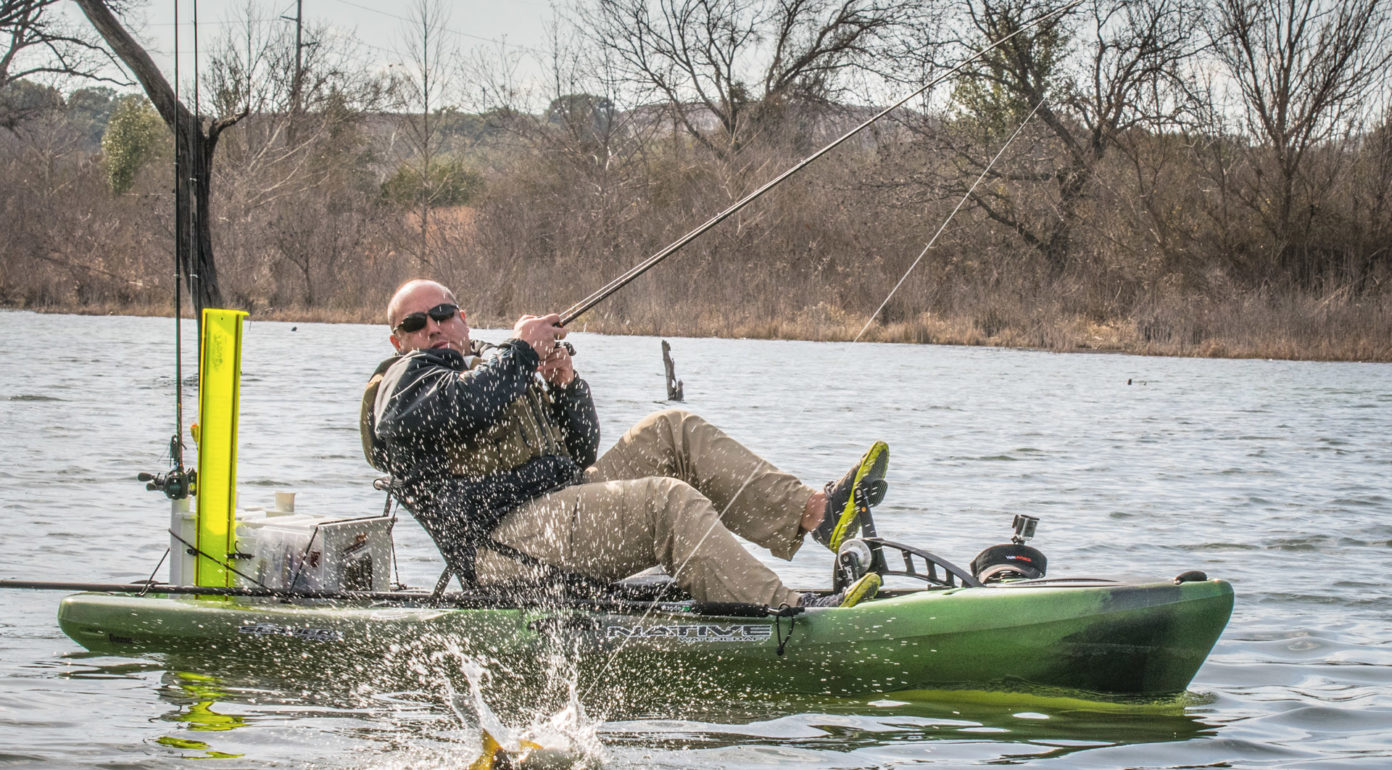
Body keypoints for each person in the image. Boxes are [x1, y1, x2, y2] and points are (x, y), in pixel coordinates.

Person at [360, 279, 887, 608]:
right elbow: (447, 407)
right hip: (502, 548)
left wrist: (564, 385)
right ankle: (784, 610)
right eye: (415, 322)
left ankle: (816, 514)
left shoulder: (488, 369)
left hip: (553, 511)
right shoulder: (405, 379)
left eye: (443, 313)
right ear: (398, 339)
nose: (433, 326)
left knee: (674, 429)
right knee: (666, 502)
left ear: (462, 318)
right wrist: (520, 351)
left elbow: (578, 455)